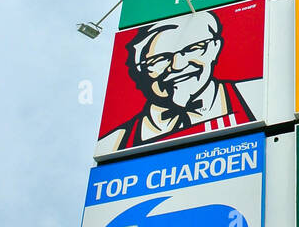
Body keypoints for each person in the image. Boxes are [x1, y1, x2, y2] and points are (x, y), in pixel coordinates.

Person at [98, 10, 254, 152]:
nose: (178, 65)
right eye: (159, 59)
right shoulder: (113, 144)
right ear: (141, 70)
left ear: (215, 48)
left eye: (193, 49)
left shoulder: (253, 99)